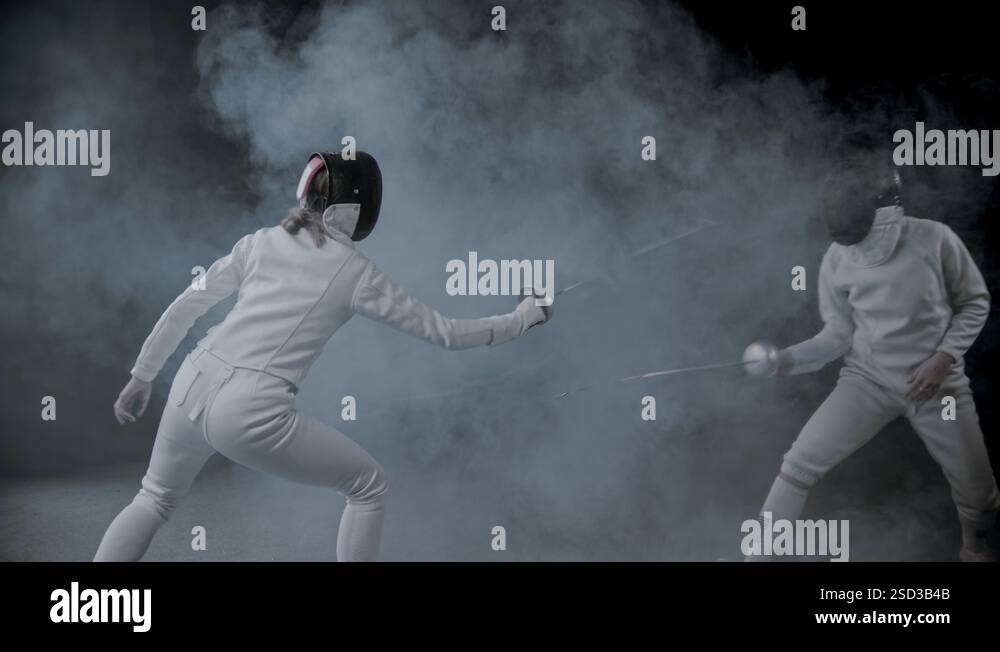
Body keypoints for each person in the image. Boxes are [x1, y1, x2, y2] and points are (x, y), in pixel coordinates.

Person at [95, 151, 551, 562]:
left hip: (191, 381)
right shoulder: (355, 273)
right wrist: (523, 317)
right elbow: (445, 333)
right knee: (368, 486)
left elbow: (186, 305)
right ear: (357, 209)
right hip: (248, 408)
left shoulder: (260, 240)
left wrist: (142, 375)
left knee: (153, 498)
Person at [743, 157, 999, 561]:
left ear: (888, 211)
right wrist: (785, 360)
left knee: (979, 496)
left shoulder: (936, 240)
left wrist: (944, 358)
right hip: (868, 382)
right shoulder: (836, 259)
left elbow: (974, 302)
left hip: (937, 387)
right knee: (798, 463)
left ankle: (978, 555)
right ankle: (756, 557)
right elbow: (836, 337)